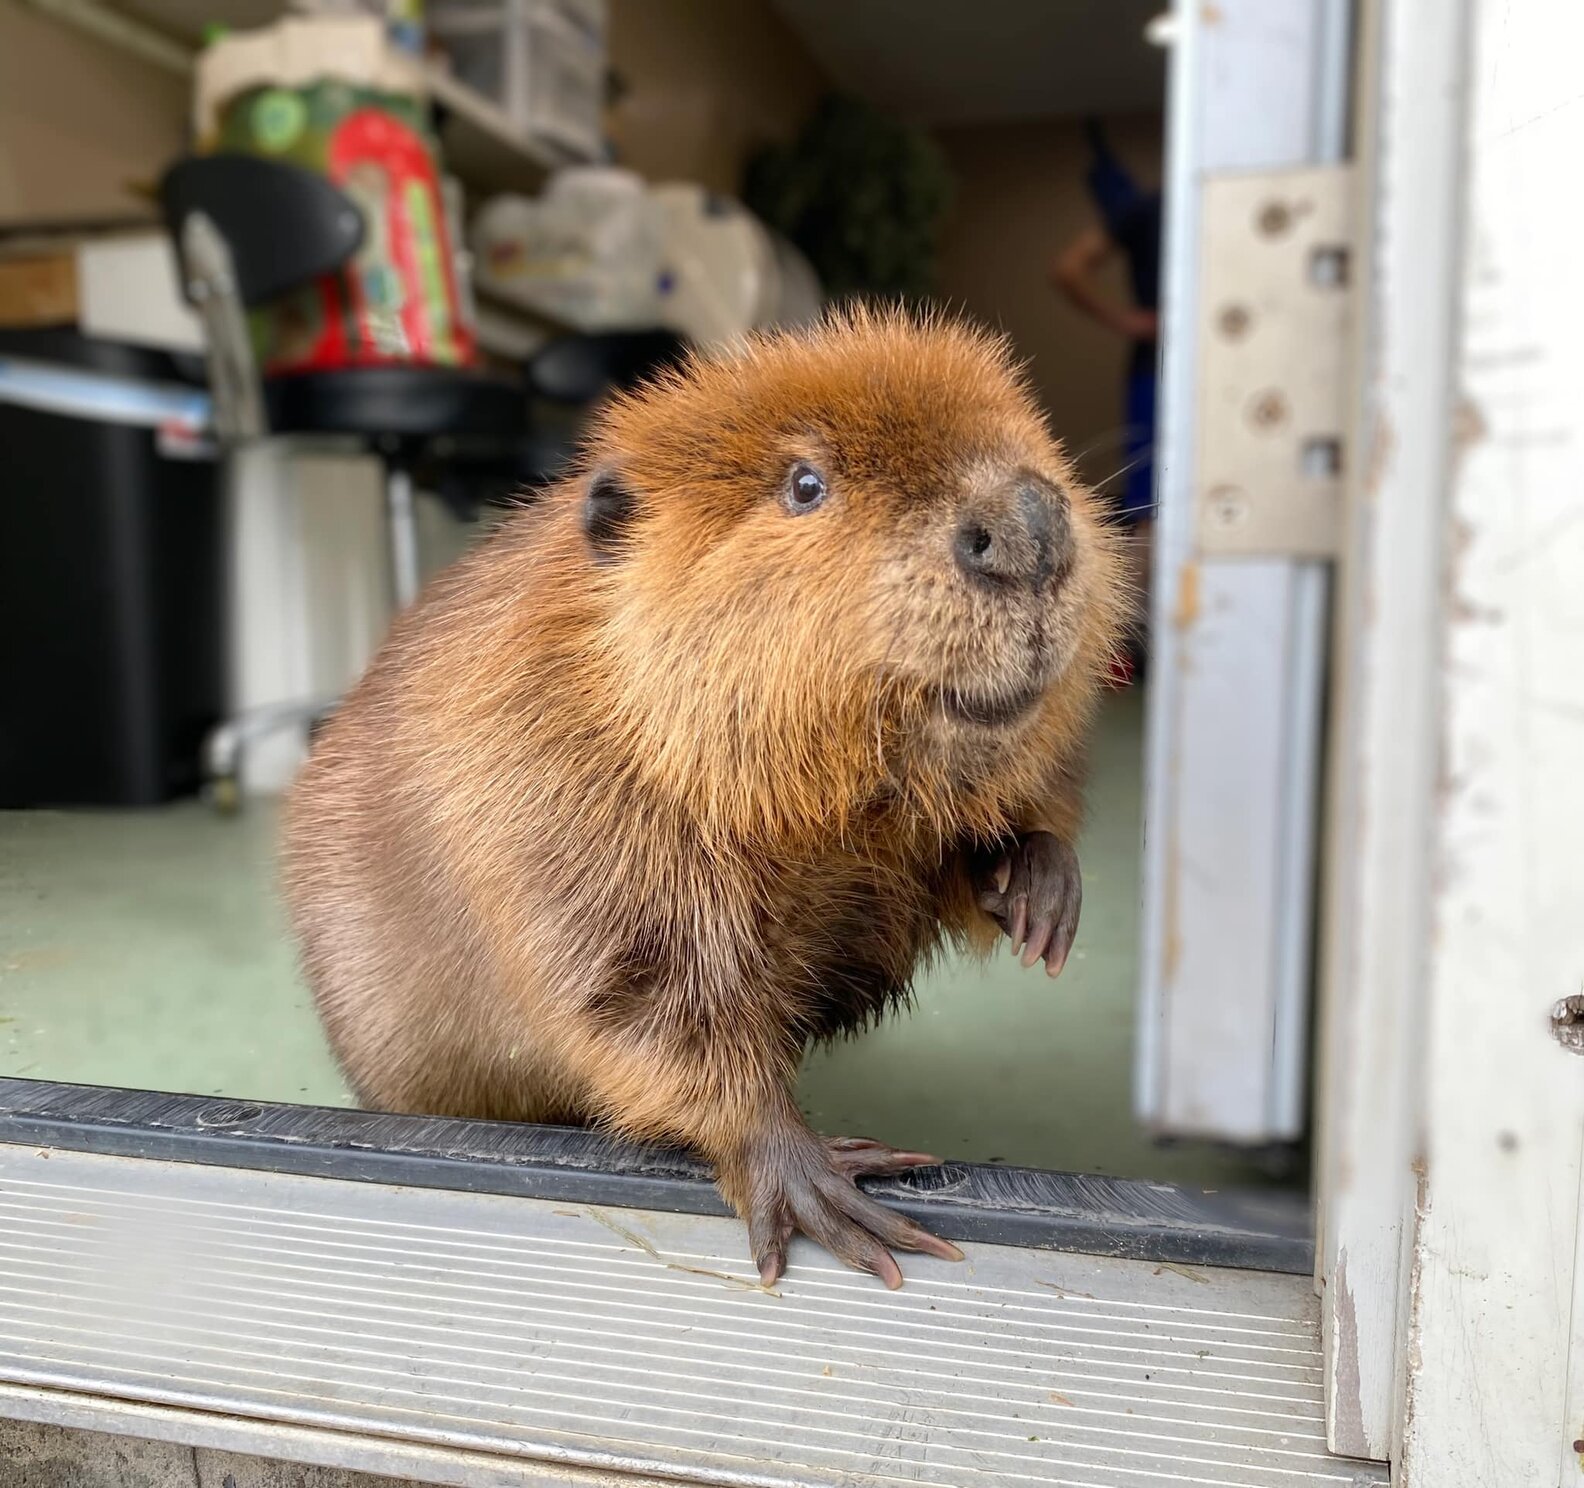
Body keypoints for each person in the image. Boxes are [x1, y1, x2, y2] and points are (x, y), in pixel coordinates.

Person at [1049, 121, 1162, 682]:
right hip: (1157, 372)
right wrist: (1130, 323)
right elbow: (1068, 269)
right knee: (1150, 509)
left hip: (1205, 371)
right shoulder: (1148, 212)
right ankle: (1132, 652)